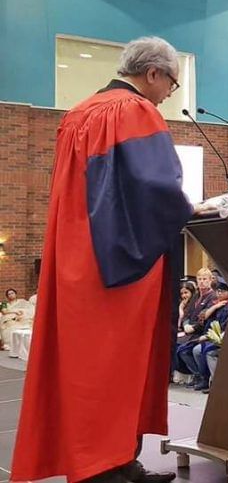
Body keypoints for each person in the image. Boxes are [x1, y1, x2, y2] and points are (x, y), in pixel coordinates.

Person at [13, 37, 193, 483]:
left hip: (77, 257)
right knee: (119, 363)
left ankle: (114, 462)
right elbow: (155, 186)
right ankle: (106, 468)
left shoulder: (78, 113)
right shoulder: (133, 111)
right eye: (171, 83)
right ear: (152, 73)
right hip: (120, 263)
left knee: (88, 367)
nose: (170, 94)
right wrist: (191, 210)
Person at [179, 281, 228, 393]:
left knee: (200, 350)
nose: (218, 293)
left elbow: (223, 327)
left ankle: (213, 382)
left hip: (217, 337)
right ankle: (201, 376)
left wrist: (207, 336)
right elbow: (202, 316)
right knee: (183, 349)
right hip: (206, 334)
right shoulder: (216, 303)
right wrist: (214, 307)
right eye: (218, 291)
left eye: (222, 291)